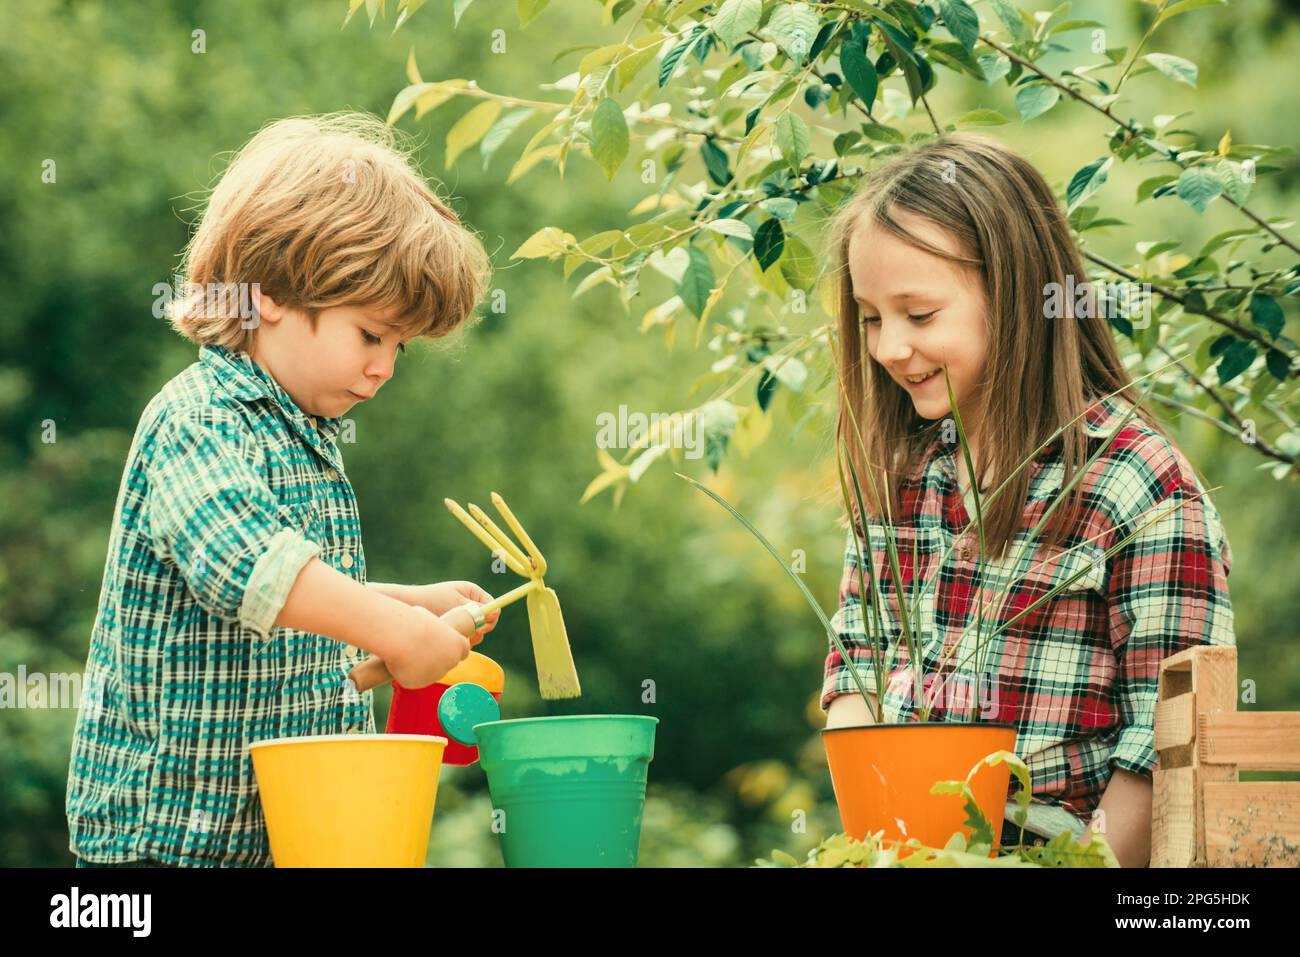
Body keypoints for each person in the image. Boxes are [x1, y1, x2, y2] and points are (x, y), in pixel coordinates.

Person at [67, 113, 498, 867]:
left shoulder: (303, 436)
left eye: (400, 347)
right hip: (167, 841)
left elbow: (294, 607)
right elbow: (251, 569)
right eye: (371, 335)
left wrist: (403, 604)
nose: (385, 369)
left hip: (281, 836)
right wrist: (396, 634)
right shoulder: (200, 422)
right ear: (267, 294)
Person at [819, 133, 1235, 867]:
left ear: (1015, 297)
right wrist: (884, 846)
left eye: (918, 315)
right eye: (871, 316)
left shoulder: (1138, 484)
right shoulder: (898, 473)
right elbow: (855, 670)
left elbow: (1165, 750)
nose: (886, 348)